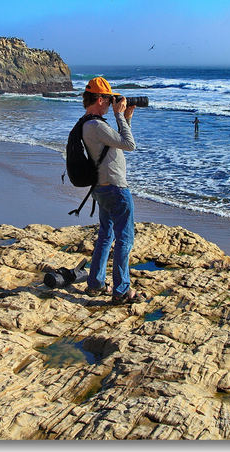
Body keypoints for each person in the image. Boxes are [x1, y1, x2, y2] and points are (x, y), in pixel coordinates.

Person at [80, 77, 143, 304]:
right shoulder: (97, 125)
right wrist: (119, 116)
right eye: (108, 99)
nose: (110, 103)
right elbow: (130, 145)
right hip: (116, 189)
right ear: (99, 99)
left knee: (105, 236)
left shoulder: (88, 123)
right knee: (124, 239)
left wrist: (125, 119)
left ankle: (95, 284)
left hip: (101, 188)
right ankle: (121, 291)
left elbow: (118, 141)